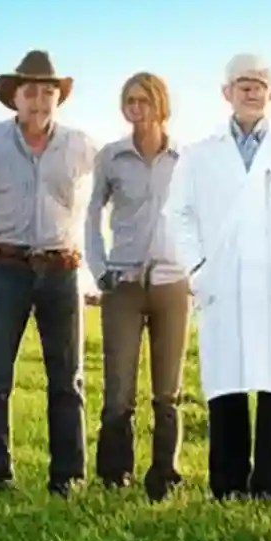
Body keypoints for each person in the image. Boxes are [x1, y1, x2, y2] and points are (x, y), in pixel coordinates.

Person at [163, 53, 271, 502]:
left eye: (260, 84)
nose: (252, 90)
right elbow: (177, 213)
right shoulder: (200, 155)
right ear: (227, 92)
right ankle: (228, 485)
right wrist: (197, 265)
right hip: (223, 282)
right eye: (243, 83)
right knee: (228, 386)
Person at [0, 49, 99, 497]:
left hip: (62, 270)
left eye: (48, 92)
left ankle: (67, 478)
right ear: (15, 97)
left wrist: (102, 242)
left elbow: (112, 184)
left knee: (67, 379)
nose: (39, 101)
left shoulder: (80, 144)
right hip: (6, 267)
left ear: (57, 99)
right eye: (30, 92)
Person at [85, 71, 190, 500]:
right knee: (119, 391)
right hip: (123, 284)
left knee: (168, 390)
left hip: (172, 283)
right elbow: (91, 214)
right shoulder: (111, 158)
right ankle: (114, 476)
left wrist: (197, 267)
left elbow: (203, 215)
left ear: (160, 104)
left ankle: (164, 476)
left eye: (144, 100)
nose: (136, 107)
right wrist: (99, 267)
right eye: (129, 100)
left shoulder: (186, 159)